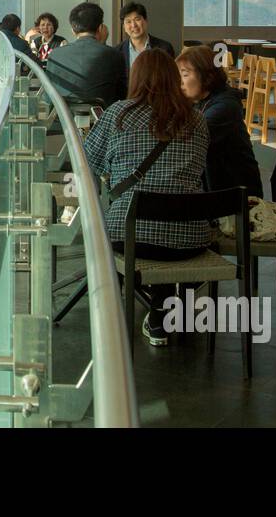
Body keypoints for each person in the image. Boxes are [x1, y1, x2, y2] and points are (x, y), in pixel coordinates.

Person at [84, 49, 211, 346]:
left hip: (128, 236)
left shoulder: (119, 113)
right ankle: (160, 315)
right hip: (189, 238)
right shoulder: (197, 120)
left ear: (136, 77)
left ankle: (115, 309)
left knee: (131, 224)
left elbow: (86, 162)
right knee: (165, 222)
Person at [175, 45, 262, 198]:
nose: (179, 82)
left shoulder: (225, 106)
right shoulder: (200, 100)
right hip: (215, 191)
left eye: (185, 74)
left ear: (207, 77)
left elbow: (186, 138)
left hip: (236, 199)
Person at [43, 2, 127, 105]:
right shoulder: (115, 55)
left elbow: (48, 98)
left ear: (73, 30)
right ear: (100, 28)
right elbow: (122, 95)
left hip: (64, 119)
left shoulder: (55, 55)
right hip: (102, 118)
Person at [116, 2, 176, 84]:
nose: (133, 25)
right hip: (129, 96)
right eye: (128, 21)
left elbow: (170, 79)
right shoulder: (117, 52)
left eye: (137, 19)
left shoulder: (164, 48)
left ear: (146, 20)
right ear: (124, 27)